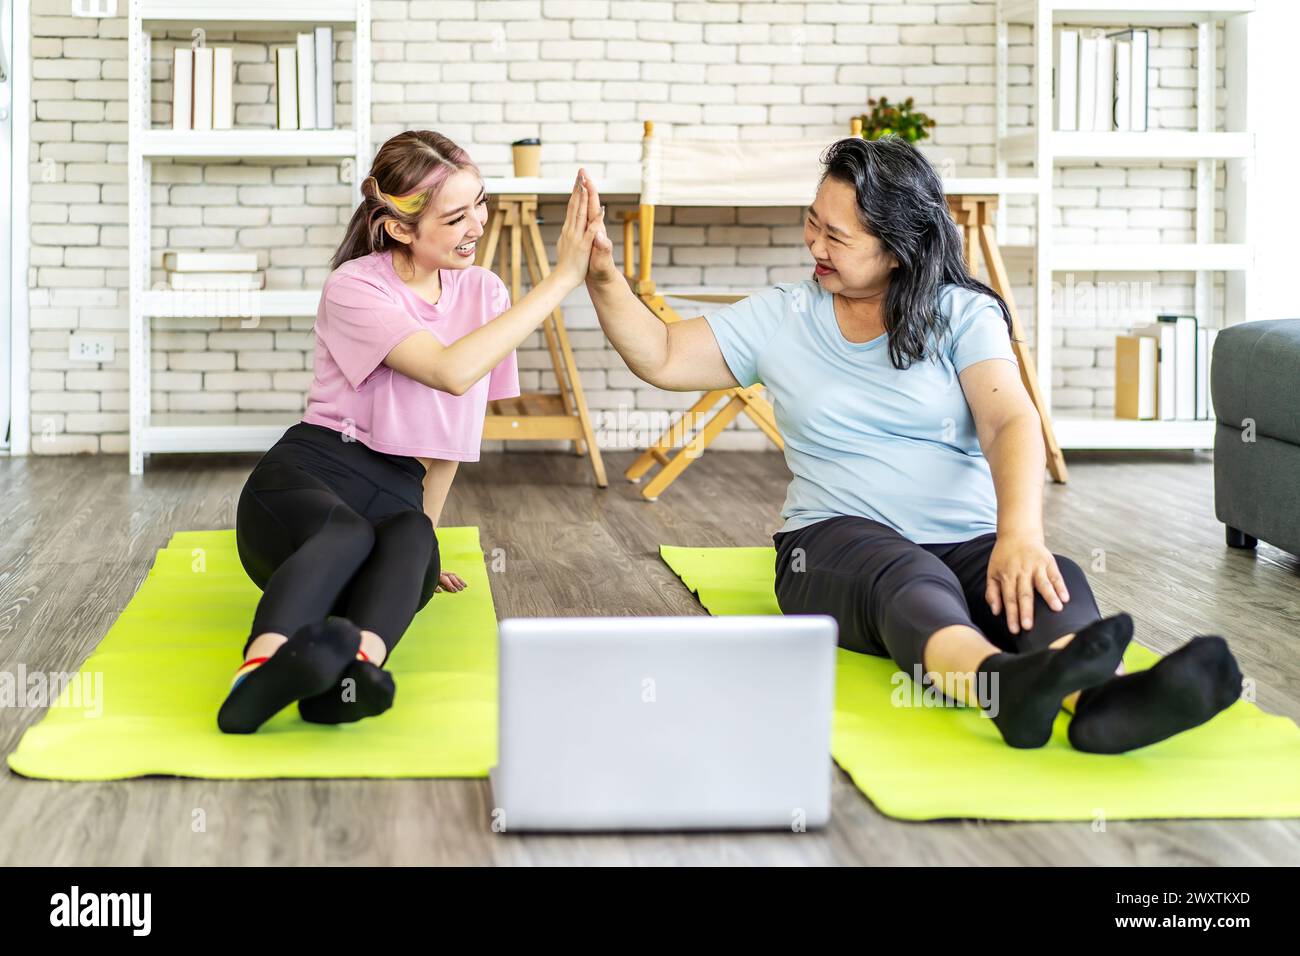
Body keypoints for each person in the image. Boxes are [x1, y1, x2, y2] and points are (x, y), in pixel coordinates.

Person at [580, 137, 1242, 753]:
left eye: (836, 236)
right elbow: (664, 355)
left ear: (898, 248)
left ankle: (1107, 702)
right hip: (834, 545)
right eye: (814, 221)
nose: (814, 242)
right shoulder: (783, 315)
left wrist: (1019, 533)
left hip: (965, 541)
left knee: (1048, 576)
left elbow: (1010, 421)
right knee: (909, 579)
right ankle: (1003, 687)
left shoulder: (961, 313)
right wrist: (604, 278)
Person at [219, 131, 602, 734]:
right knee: (345, 534)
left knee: (409, 548)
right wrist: (560, 280)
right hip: (314, 471)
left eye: (480, 202)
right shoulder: (356, 287)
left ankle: (352, 673)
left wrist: (426, 539)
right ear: (400, 228)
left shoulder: (484, 293)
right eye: (456, 217)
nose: (477, 224)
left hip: (398, 490)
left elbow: (452, 432)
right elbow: (449, 373)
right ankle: (257, 673)